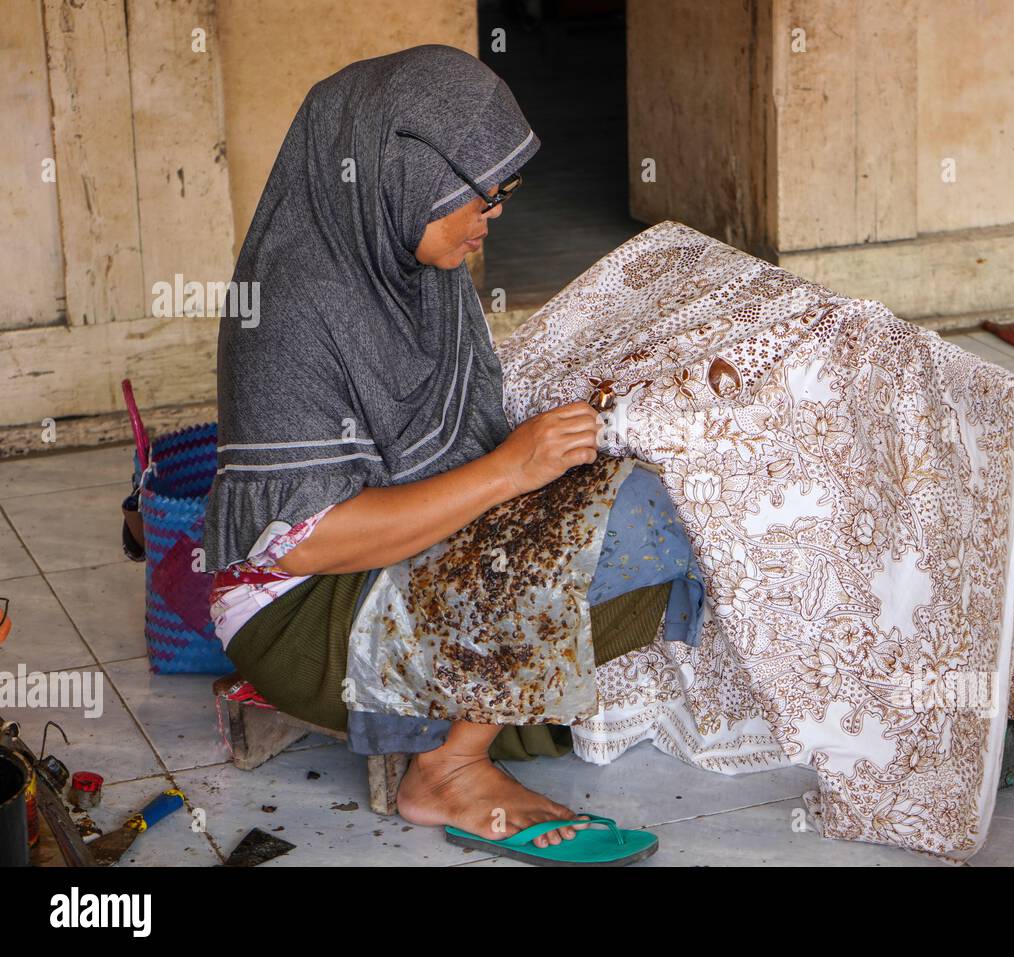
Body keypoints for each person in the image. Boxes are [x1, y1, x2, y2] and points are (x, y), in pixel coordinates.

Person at [203, 45, 703, 855]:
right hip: (301, 609)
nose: (492, 218)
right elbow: (309, 541)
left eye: (503, 194)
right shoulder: (289, 308)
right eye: (478, 198)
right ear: (398, 174)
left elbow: (464, 444)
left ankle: (473, 717)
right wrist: (511, 472)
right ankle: (452, 766)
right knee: (631, 523)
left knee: (667, 493)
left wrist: (551, 454)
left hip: (396, 547)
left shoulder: (413, 261)